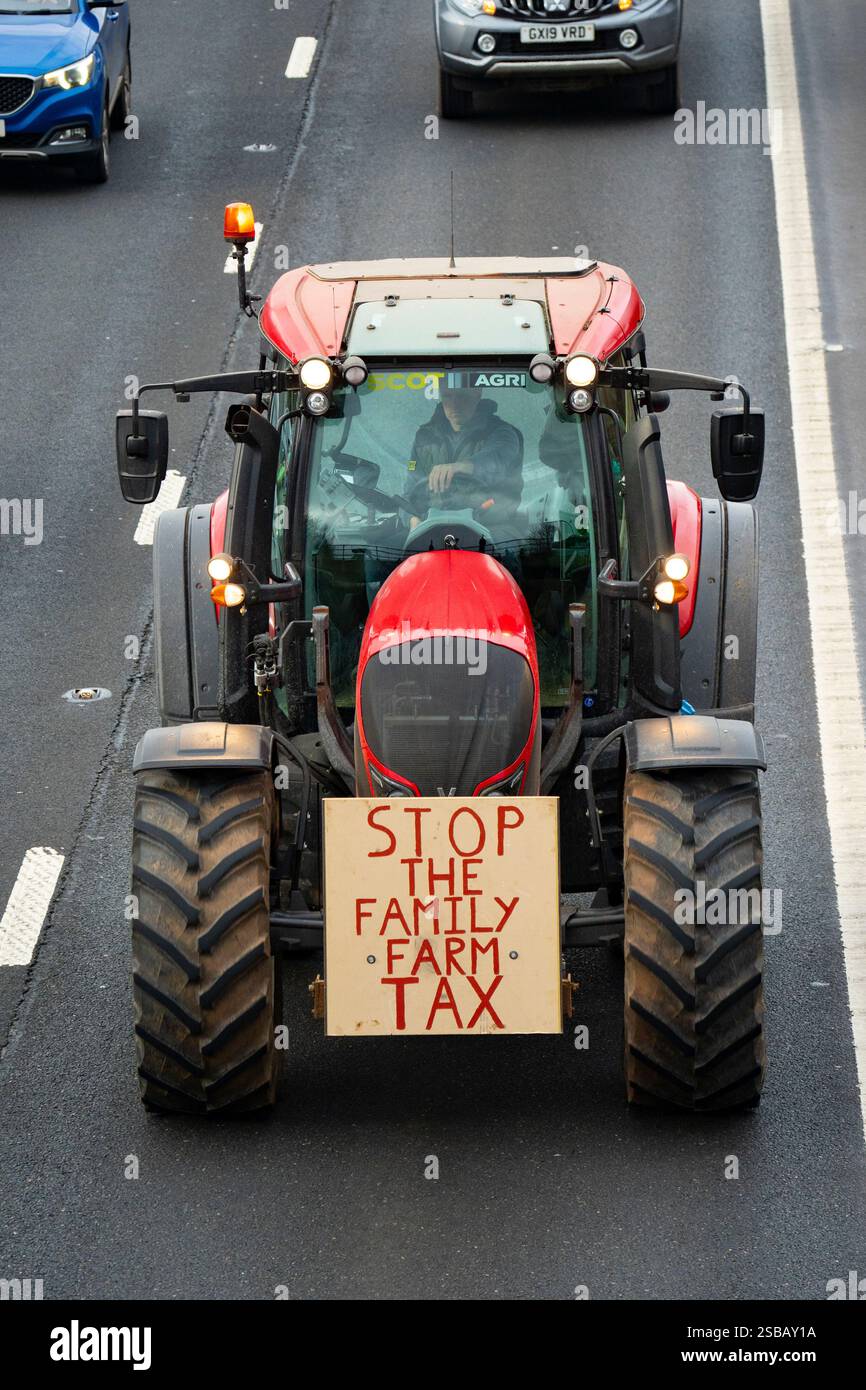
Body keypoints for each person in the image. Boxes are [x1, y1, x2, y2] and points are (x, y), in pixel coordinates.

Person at [407, 383, 523, 520]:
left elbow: (497, 458)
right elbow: (410, 486)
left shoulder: (503, 434)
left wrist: (464, 466)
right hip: (434, 524)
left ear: (477, 394)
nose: (455, 404)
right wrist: (411, 518)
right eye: (448, 396)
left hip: (491, 523)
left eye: (462, 396)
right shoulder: (423, 438)